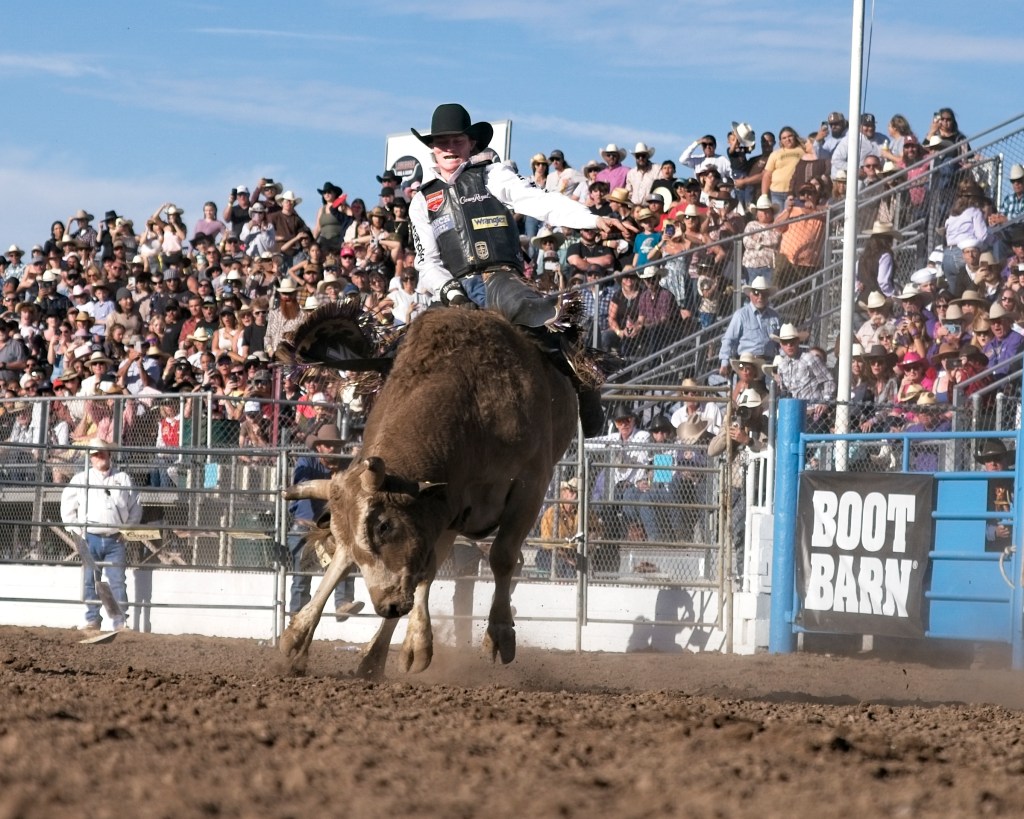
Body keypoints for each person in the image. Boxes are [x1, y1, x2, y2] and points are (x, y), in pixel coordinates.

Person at [408, 104, 629, 433]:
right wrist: (450, 291)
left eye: (457, 141)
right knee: (410, 346)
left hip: (500, 277)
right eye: (443, 142)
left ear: (471, 144)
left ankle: (583, 378)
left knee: (536, 314)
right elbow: (427, 262)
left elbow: (540, 201)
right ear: (432, 149)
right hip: (453, 288)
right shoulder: (421, 201)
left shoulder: (492, 175)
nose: (450, 148)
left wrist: (591, 219)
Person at [59, 439, 142, 632]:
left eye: (102, 452)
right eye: (95, 454)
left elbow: (135, 507)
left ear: (109, 455)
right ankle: (93, 619)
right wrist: (77, 532)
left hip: (115, 537)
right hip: (89, 537)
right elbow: (67, 509)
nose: (99, 457)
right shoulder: (81, 479)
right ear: (91, 457)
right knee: (91, 579)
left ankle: (119, 622)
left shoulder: (123, 479)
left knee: (117, 581)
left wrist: (127, 530)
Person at [287, 424, 364, 621]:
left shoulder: (345, 466)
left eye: (335, 446)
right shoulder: (308, 462)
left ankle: (342, 603)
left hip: (330, 530)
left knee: (343, 564)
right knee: (301, 578)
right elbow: (301, 484)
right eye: (328, 446)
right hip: (305, 529)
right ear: (319, 447)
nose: (332, 450)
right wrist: (335, 483)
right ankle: (297, 619)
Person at [718, 276, 782, 378]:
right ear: (750, 294)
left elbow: (780, 343)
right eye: (756, 293)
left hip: (768, 365)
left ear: (768, 295)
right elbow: (729, 339)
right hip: (746, 364)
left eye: (764, 293)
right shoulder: (741, 315)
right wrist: (724, 363)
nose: (760, 297)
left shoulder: (775, 316)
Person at [536, 477, 580, 579]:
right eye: (572, 491)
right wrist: (565, 557)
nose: (575, 495)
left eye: (577, 492)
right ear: (564, 493)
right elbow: (547, 543)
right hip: (549, 554)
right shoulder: (551, 513)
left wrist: (593, 533)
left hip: (571, 552)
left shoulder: (580, 512)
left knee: (577, 565)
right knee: (567, 567)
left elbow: (596, 526)